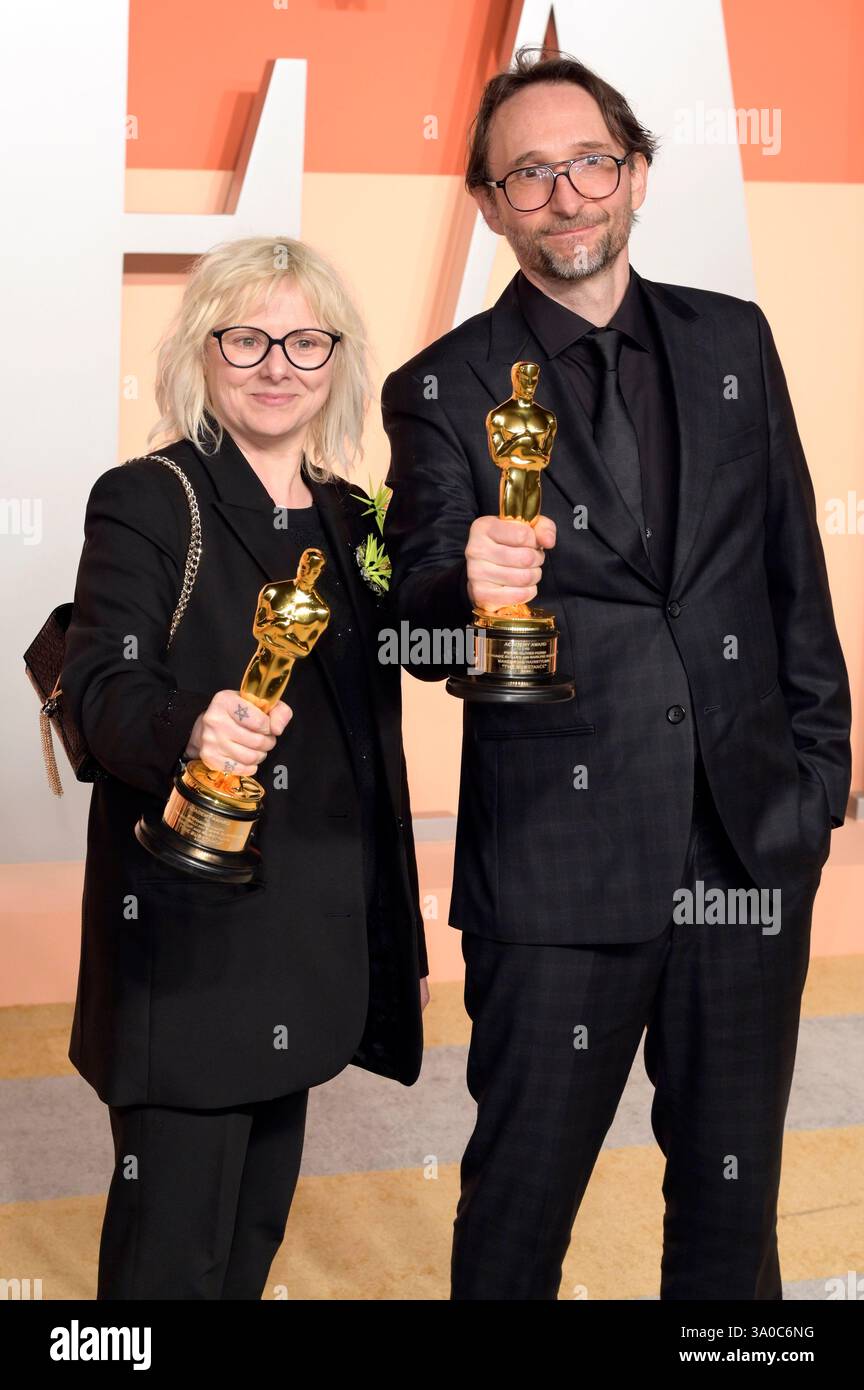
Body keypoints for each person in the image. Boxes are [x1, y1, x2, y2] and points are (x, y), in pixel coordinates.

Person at [381, 48, 852, 1299]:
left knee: (731, 1217)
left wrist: (815, 787)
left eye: (591, 162)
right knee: (518, 1221)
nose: (567, 194)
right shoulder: (442, 387)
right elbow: (420, 597)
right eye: (529, 174)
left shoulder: (731, 339)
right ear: (488, 203)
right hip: (556, 873)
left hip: (748, 852)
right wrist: (460, 588)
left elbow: (791, 574)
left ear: (636, 175)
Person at [61, 235, 430, 1300]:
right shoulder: (148, 497)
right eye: (249, 337)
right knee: (167, 1262)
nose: (279, 363)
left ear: (338, 358)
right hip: (191, 940)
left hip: (310, 939)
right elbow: (102, 690)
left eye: (306, 340)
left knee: (250, 1244)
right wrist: (194, 726)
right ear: (202, 351)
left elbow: (409, 658)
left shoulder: (354, 516)